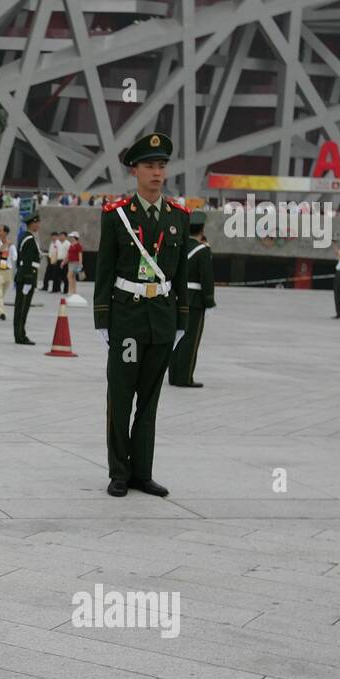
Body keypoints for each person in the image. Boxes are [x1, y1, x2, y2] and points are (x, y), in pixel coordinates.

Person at [94, 133, 191, 497]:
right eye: (150, 166)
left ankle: (142, 472)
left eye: (162, 165)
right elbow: (103, 272)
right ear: (135, 170)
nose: (157, 173)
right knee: (121, 396)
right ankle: (119, 471)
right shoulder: (117, 216)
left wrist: (181, 321)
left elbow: (180, 274)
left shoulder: (178, 217)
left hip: (161, 320)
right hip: (128, 321)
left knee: (149, 400)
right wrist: (102, 320)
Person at [168, 210, 215, 387]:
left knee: (176, 337)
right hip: (194, 300)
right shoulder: (203, 251)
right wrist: (209, 301)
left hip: (175, 297)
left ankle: (173, 376)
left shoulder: (178, 246)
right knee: (190, 339)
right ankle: (184, 377)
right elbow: (207, 279)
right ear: (202, 229)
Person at [13, 213, 42, 345]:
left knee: (21, 307)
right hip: (27, 278)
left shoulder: (26, 237)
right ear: (33, 223)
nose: (38, 225)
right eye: (37, 222)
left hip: (24, 276)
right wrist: (29, 279)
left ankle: (19, 334)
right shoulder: (29, 239)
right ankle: (20, 335)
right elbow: (27, 262)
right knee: (22, 308)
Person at [66, 231, 84, 298]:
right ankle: (73, 291)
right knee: (72, 277)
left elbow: (80, 255)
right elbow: (68, 254)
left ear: (75, 237)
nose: (71, 238)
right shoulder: (71, 245)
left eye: (72, 237)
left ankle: (70, 291)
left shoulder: (78, 245)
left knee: (69, 276)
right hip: (70, 263)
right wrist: (64, 261)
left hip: (75, 263)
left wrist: (80, 264)